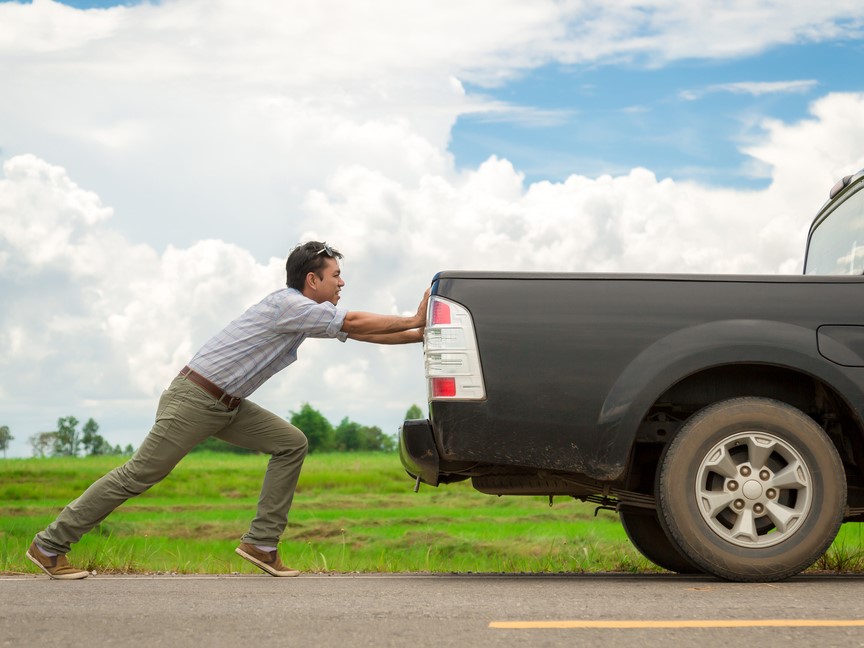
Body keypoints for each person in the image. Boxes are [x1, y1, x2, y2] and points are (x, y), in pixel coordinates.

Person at [26, 241, 428, 579]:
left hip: (228, 405)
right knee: (138, 475)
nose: (342, 282)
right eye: (336, 275)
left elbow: (357, 331)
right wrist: (412, 317)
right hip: (195, 400)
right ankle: (49, 545)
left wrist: (417, 334)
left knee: (291, 443)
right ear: (312, 280)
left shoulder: (304, 314)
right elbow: (356, 320)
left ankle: (261, 544)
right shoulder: (289, 305)